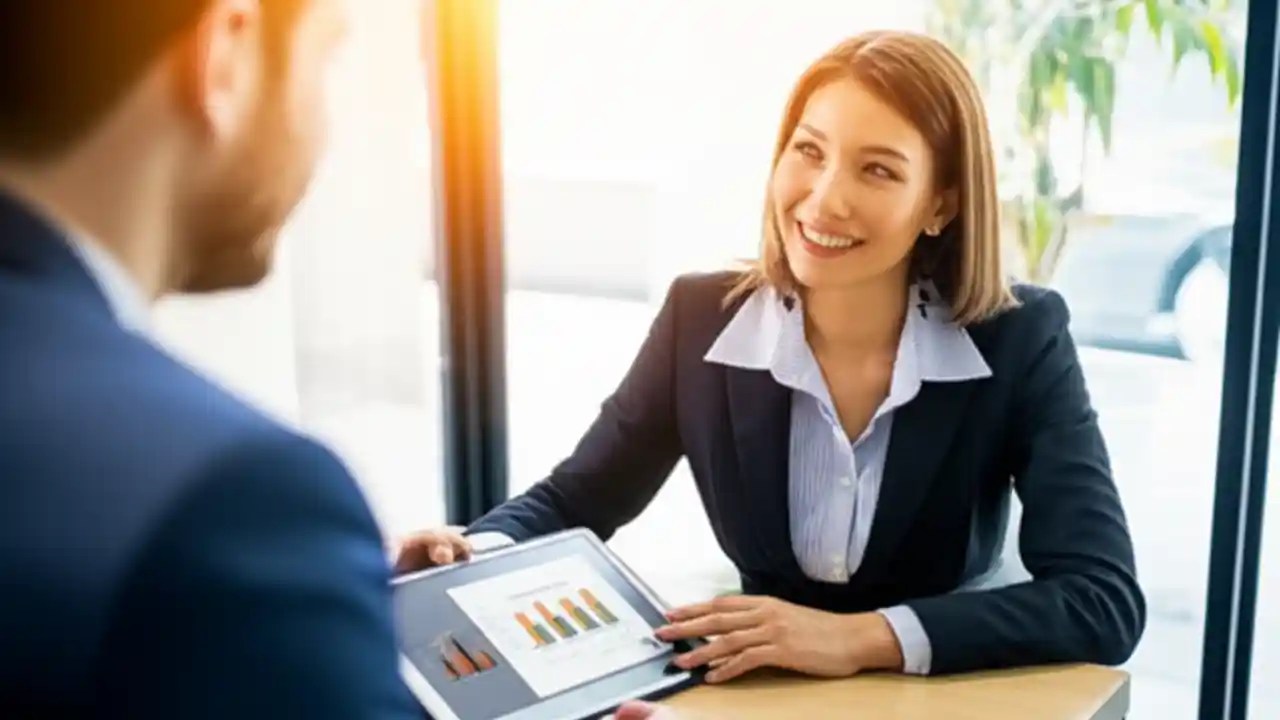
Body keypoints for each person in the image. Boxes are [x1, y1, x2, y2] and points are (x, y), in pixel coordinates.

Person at [397, 30, 1146, 683]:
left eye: (877, 169)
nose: (823, 200)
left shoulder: (1019, 337)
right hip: (772, 694)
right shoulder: (702, 320)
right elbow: (575, 501)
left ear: (941, 205)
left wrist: (858, 638)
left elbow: (1102, 598)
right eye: (809, 152)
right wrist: (470, 551)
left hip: (949, 694)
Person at [0, 2, 676, 719]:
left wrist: (290, 603)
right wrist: (258, 573)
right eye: (325, 61)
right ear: (226, 56)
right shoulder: (240, 500)